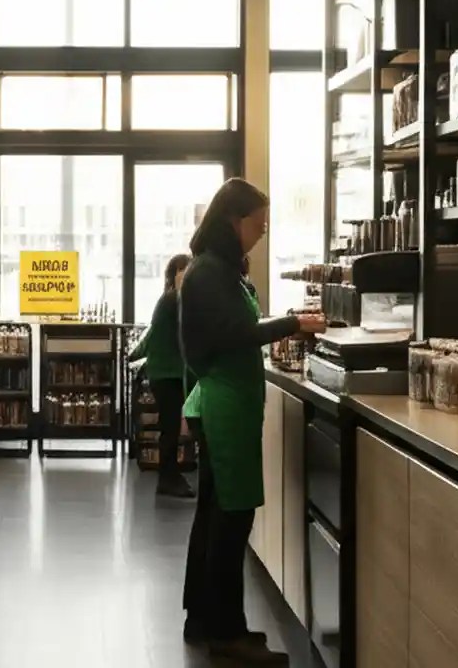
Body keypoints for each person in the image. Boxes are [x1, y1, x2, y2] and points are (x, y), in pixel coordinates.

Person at [179, 178, 326, 665]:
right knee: (232, 519)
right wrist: (293, 323)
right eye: (257, 223)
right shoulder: (208, 274)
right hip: (225, 407)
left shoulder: (216, 270)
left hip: (226, 404)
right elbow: (235, 333)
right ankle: (228, 632)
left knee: (215, 516)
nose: (261, 231)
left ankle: (202, 616)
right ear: (232, 221)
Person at [130, 253, 196, 498]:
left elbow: (150, 338)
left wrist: (133, 355)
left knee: (169, 427)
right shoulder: (175, 300)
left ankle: (170, 475)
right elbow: (184, 338)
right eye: (184, 271)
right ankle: (168, 478)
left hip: (164, 372)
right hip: (168, 373)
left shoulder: (168, 300)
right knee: (170, 428)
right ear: (175, 274)